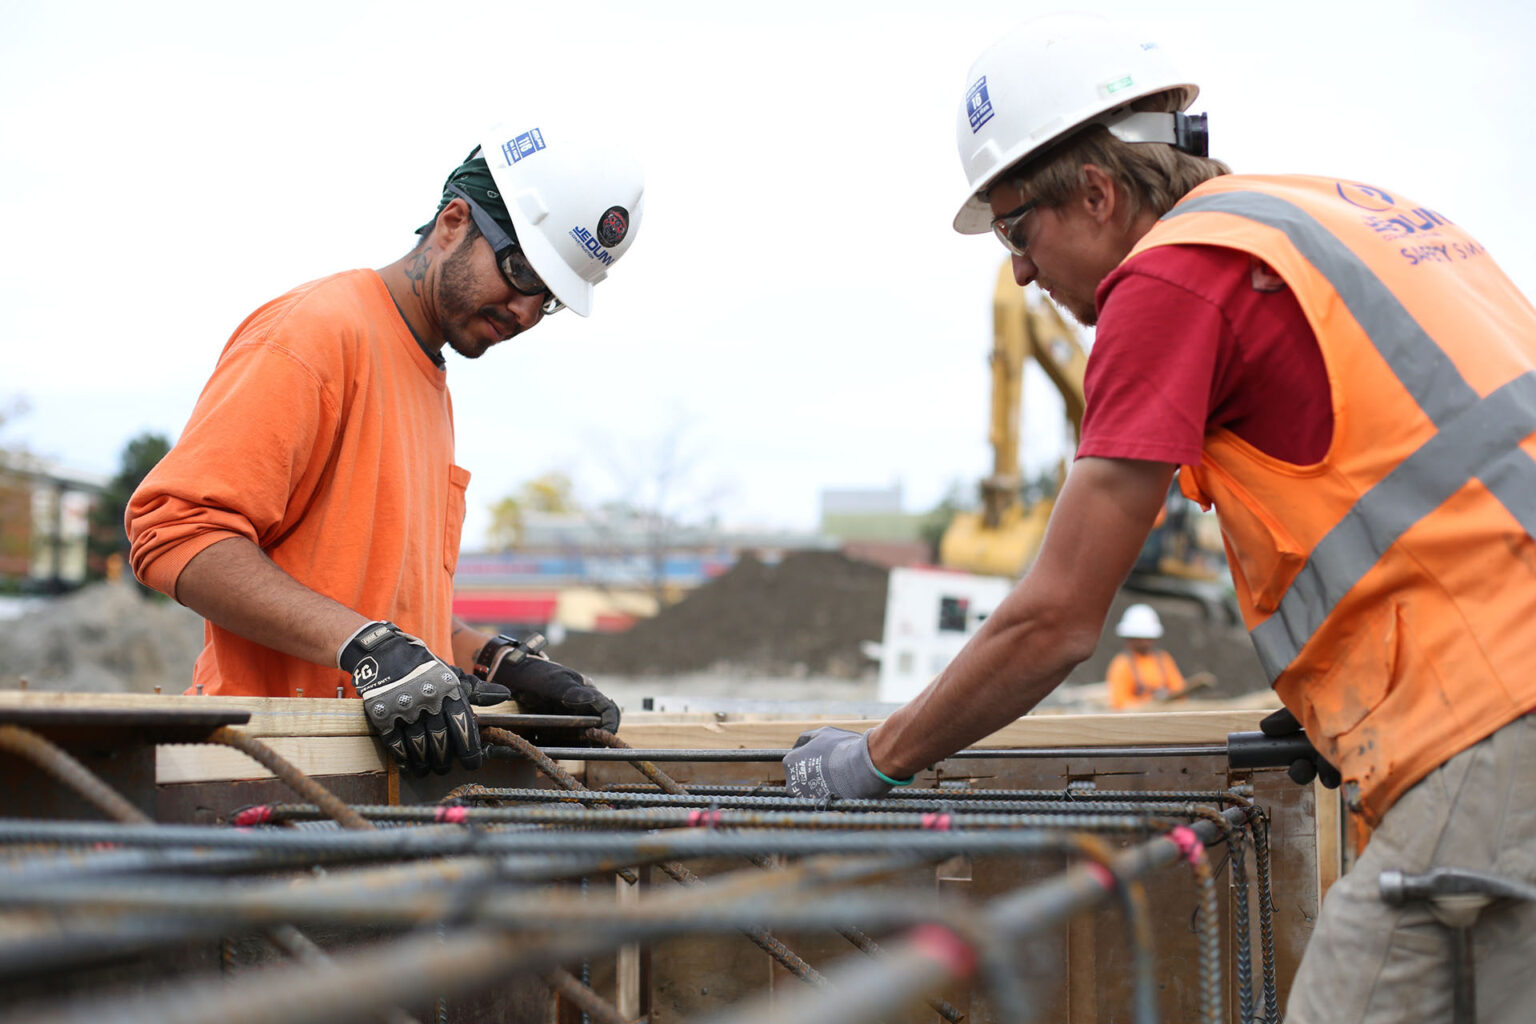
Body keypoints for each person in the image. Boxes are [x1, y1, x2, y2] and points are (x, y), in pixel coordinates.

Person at [783, 15, 1536, 1023]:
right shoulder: (1342, 211)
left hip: (1490, 722)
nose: (1018, 271)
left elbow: (1054, 617)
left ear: (1097, 192)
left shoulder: (1174, 274)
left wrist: (880, 755)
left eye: (1017, 230)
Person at [127, 115, 636, 777]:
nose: (522, 308)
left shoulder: (431, 384)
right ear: (454, 222)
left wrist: (496, 662)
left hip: (369, 782)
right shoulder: (318, 333)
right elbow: (173, 532)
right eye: (520, 269)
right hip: (263, 770)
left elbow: (392, 625)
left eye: (547, 300)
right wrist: (365, 646)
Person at [1104, 603, 1185, 710]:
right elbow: (1120, 703)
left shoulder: (1163, 659)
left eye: (1148, 638)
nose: (1145, 642)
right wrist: (1150, 703)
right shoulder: (1122, 664)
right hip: (1138, 721)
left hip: (1166, 716)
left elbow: (1180, 692)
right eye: (1140, 638)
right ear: (1130, 638)